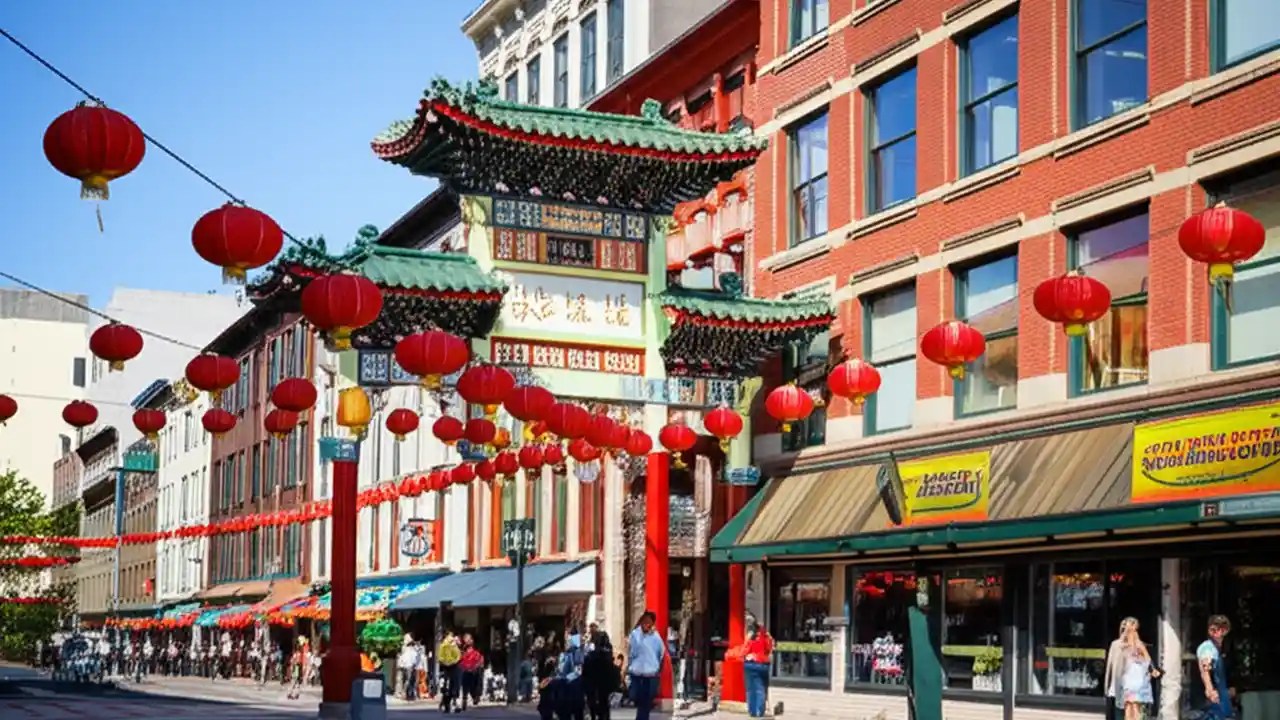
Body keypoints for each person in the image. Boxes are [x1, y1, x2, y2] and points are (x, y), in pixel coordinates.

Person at [1105, 617, 1155, 720]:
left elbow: (1149, 666)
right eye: (1126, 629)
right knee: (1120, 714)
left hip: (1137, 689)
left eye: (1134, 630)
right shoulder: (1116, 645)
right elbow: (1110, 666)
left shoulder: (1141, 646)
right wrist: (1108, 686)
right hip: (1119, 688)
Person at [627, 611, 667, 720]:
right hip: (636, 673)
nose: (646, 624)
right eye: (644, 621)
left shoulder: (656, 637)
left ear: (652, 623)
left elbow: (662, 655)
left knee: (645, 703)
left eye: (649, 622)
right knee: (637, 699)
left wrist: (658, 672)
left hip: (651, 675)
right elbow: (630, 652)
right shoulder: (635, 634)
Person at [1198, 615, 1235, 719]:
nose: (1216, 631)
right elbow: (1205, 668)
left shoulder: (1218, 650)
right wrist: (1209, 689)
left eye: (1220, 628)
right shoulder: (1208, 648)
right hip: (1214, 701)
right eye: (1213, 628)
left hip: (1221, 700)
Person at [582, 631, 621, 720]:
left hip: (593, 682)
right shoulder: (608, 653)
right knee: (604, 704)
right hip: (603, 682)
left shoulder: (591, 655)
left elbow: (586, 670)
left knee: (594, 703)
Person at [741, 623, 774, 719]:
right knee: (761, 688)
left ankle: (752, 712)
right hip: (762, 664)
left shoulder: (750, 638)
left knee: (750, 689)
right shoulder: (766, 637)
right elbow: (769, 649)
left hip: (750, 664)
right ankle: (760, 712)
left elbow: (743, 652)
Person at [556, 629, 587, 720]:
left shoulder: (573, 654)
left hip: (570, 688)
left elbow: (564, 670)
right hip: (575, 689)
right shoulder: (576, 653)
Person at [437, 630, 462, 714]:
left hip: (448, 668)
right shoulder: (451, 644)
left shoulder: (443, 645)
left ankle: (447, 705)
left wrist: (445, 663)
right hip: (453, 667)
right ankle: (452, 704)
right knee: (453, 686)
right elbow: (458, 656)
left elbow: (440, 658)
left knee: (448, 687)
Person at [459, 633, 485, 710]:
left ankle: (475, 696)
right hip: (465, 669)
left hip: (474, 669)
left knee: (473, 686)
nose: (466, 640)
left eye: (467, 638)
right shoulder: (463, 649)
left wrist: (477, 666)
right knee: (465, 685)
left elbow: (480, 660)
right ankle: (465, 699)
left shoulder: (476, 650)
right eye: (465, 638)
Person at [399, 634, 420, 701]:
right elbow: (413, 658)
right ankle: (405, 693)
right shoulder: (408, 650)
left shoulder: (409, 650)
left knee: (410, 680)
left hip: (409, 666)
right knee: (409, 680)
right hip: (409, 666)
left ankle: (409, 694)